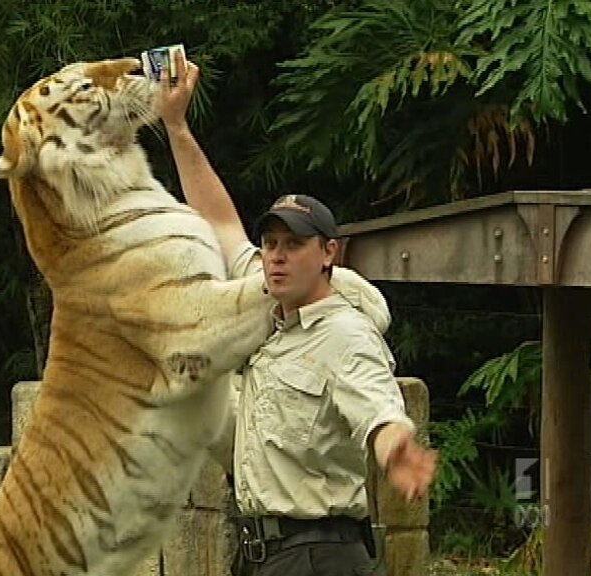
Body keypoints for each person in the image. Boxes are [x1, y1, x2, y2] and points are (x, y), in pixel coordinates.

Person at [157, 53, 438, 576]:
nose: (277, 255)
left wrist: (396, 447)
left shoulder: (346, 334)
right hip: (262, 553)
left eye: (293, 244)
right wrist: (176, 127)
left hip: (320, 555)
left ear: (328, 253)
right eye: (270, 244)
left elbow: (376, 405)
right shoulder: (265, 299)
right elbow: (217, 220)